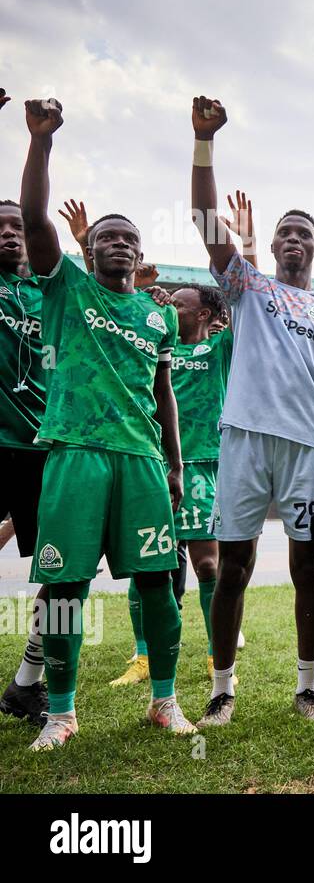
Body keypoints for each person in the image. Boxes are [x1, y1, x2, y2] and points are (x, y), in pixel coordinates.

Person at [188, 97, 314, 727]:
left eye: (304, 234)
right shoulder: (247, 286)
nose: (294, 240)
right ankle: (220, 690)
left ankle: (307, 689)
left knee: (305, 566)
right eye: (285, 233)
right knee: (232, 566)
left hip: (304, 451)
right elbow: (205, 221)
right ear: (270, 244)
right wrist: (203, 140)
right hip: (241, 443)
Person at [18, 96, 193, 749]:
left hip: (143, 461)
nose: (118, 244)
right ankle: (60, 712)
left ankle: (164, 701)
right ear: (88, 249)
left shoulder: (159, 316)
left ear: (139, 252)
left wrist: (174, 465)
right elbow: (35, 217)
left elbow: (164, 393)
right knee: (64, 583)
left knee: (158, 582)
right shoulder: (64, 285)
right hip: (76, 452)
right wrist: (41, 142)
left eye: (129, 238)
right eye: (106, 238)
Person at [109, 284, 232, 687]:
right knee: (148, 563)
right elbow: (121, 311)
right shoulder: (153, 343)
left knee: (210, 565)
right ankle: (143, 656)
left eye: (180, 304)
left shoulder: (218, 350)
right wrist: (147, 294)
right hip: (154, 463)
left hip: (202, 467)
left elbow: (249, 308)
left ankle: (219, 655)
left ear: (203, 316)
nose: (171, 307)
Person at [0, 183, 52, 726]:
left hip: (41, 448)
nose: (10, 233)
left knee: (65, 572)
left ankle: (27, 683)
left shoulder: (48, 292)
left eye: (17, 225)